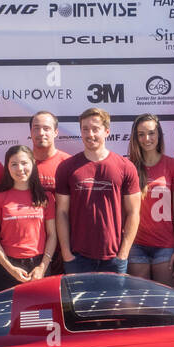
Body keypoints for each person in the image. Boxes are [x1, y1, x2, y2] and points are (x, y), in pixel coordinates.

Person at [56, 108, 141, 274]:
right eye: (85, 129)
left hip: (114, 258)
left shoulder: (125, 166)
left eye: (95, 129)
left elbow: (134, 213)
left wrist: (123, 254)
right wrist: (67, 254)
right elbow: (62, 212)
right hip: (77, 258)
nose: (90, 134)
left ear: (107, 131)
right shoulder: (67, 167)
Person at [0, 145, 57, 290]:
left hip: (39, 265)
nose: (20, 168)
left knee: (39, 305)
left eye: (24, 163)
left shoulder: (45, 197)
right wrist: (10, 268)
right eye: (14, 164)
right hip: (7, 265)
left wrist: (42, 267)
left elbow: (52, 235)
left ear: (33, 164)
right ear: (7, 167)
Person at [127, 114, 174, 285]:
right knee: (139, 299)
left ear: (159, 134)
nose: (147, 139)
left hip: (166, 247)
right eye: (141, 134)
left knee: (166, 299)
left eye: (151, 133)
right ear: (135, 138)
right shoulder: (129, 167)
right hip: (136, 245)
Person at [29, 110, 70, 192]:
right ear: (31, 132)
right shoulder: (20, 164)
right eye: (36, 128)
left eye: (46, 128)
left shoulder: (68, 163)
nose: (41, 133)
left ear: (55, 132)